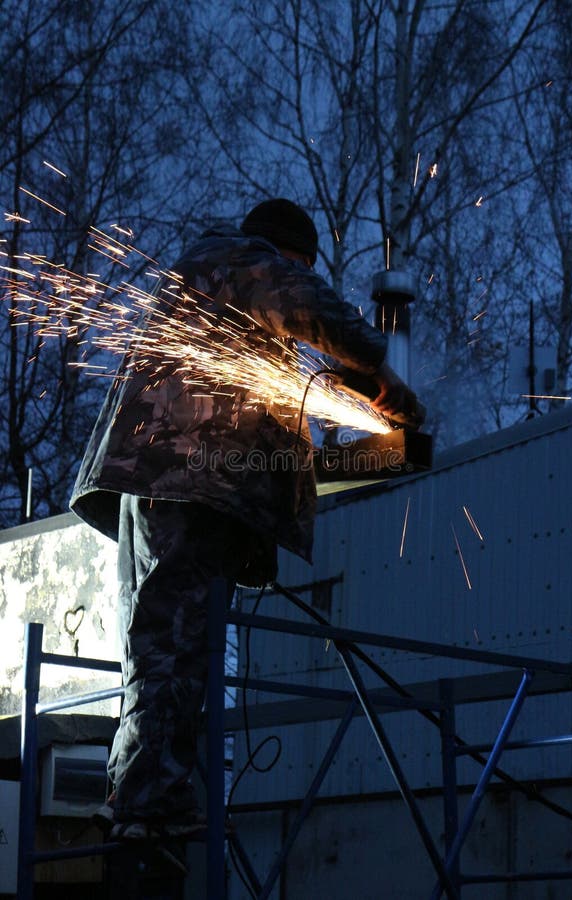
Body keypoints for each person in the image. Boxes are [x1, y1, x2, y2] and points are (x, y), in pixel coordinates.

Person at [70, 198, 421, 844]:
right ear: (290, 255)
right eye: (303, 267)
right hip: (186, 484)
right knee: (175, 645)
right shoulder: (244, 261)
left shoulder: (213, 289)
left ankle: (137, 789)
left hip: (152, 482)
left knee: (156, 645)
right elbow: (319, 312)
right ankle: (150, 808)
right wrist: (380, 373)